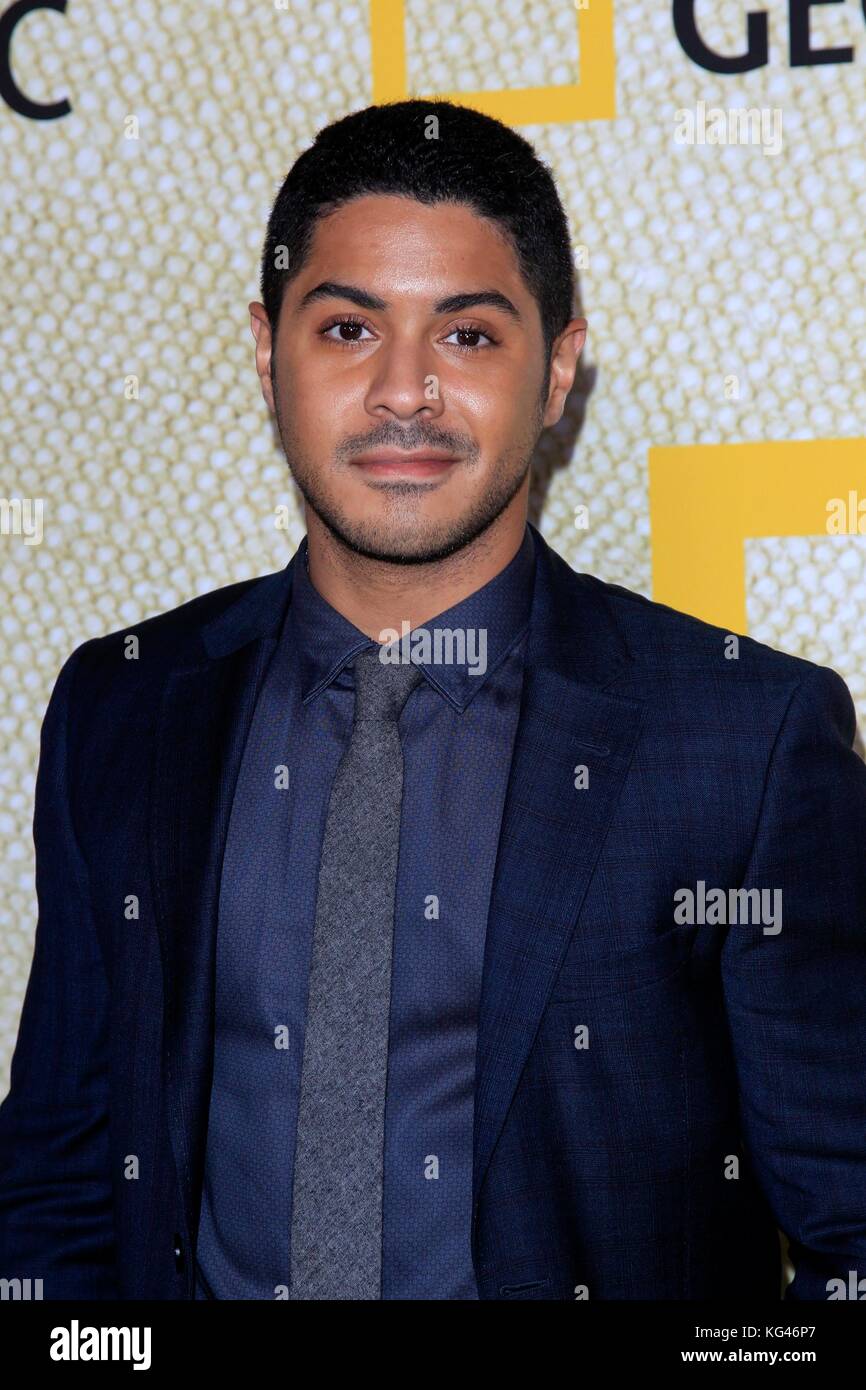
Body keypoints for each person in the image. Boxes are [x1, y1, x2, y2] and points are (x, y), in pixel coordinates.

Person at [1, 98, 864, 1302]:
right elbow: (56, 1170)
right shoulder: (125, 705)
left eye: (466, 337)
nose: (403, 393)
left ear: (556, 368)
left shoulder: (744, 738)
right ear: (266, 351)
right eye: (348, 327)